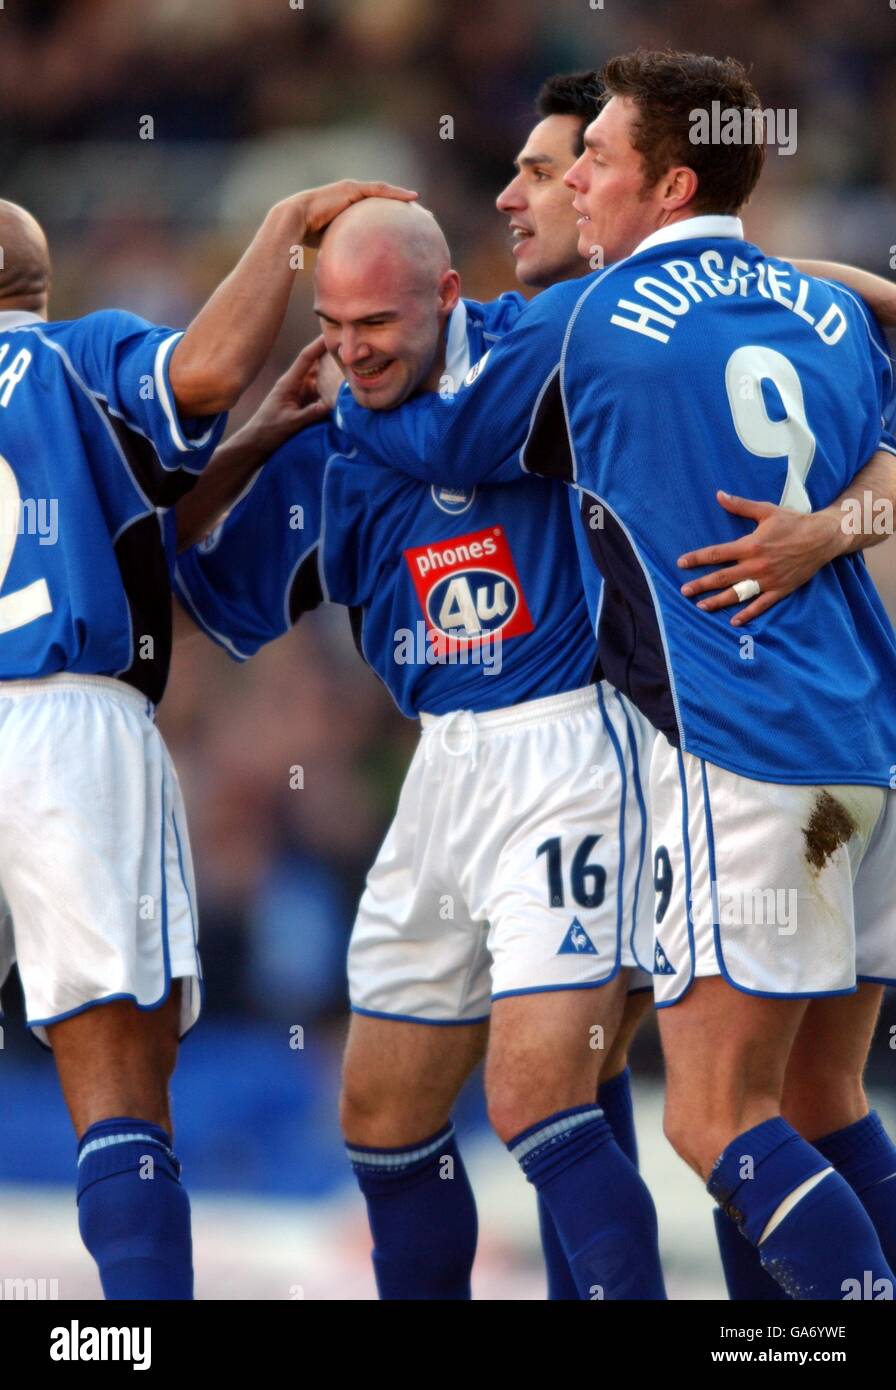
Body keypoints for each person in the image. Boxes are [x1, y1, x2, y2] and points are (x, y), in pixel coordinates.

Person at [330, 51, 896, 1300]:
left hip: (738, 751)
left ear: (667, 181)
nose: (570, 179)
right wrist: (831, 529)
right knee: (815, 1097)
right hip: (866, 745)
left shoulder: (588, 323)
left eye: (592, 158)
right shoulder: (823, 311)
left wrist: (349, 389)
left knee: (714, 1119)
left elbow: (447, 429)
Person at [175, 196, 666, 1301]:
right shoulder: (327, 437)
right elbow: (202, 591)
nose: (352, 349)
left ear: (449, 295)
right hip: (442, 764)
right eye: (333, 322)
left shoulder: (538, 356)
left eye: (379, 325)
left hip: (571, 748)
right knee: (383, 1113)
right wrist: (260, 432)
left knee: (541, 1094)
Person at [0, 179, 415, 1300]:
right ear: (32, 283)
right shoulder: (70, 357)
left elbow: (132, 521)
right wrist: (283, 230)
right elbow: (207, 372)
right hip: (61, 721)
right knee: (117, 1080)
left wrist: (243, 450)